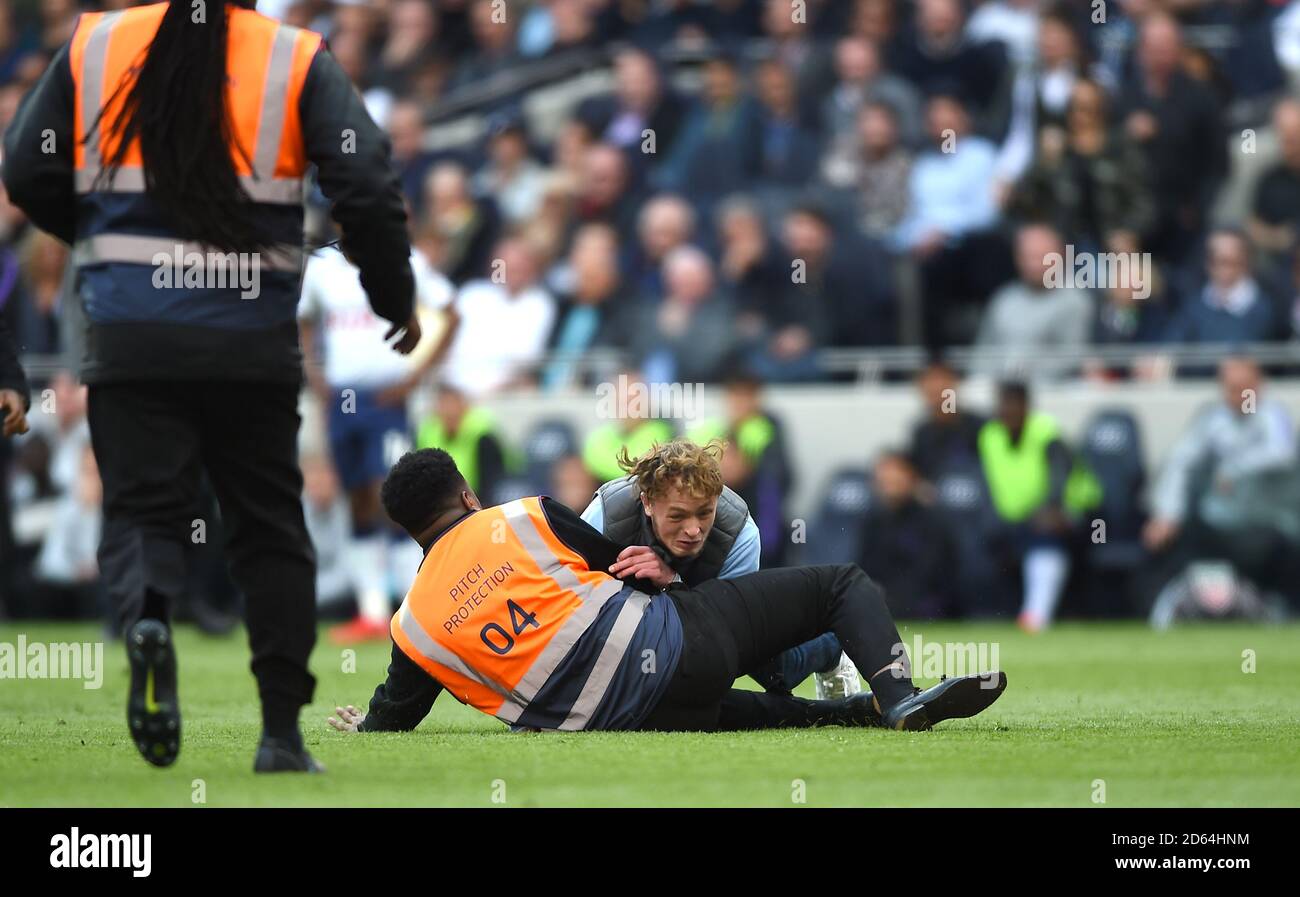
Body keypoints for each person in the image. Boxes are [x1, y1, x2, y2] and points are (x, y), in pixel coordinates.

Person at [2, 0, 419, 772]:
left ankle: (147, 618)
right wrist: (393, 294)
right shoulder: (292, 56)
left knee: (141, 513)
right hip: (250, 341)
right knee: (267, 528)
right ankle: (281, 735)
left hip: (130, 334)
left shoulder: (94, 44)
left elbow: (24, 166)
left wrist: (102, 240)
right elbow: (364, 178)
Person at [328, 447, 1007, 735]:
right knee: (842, 582)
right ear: (468, 494)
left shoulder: (410, 625)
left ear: (407, 531)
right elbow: (612, 566)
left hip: (620, 719)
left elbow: (395, 714)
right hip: (680, 644)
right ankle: (896, 699)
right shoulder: (520, 516)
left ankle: (858, 710)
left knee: (784, 715)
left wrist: (366, 726)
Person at [582, 438, 855, 699]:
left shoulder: (740, 532)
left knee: (778, 672)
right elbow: (570, 598)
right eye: (677, 515)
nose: (693, 530)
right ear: (648, 503)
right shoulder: (605, 514)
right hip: (621, 607)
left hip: (709, 611)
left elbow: (723, 634)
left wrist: (670, 580)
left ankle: (831, 646)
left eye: (704, 513)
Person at [297, 242, 456, 645]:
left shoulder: (405, 259)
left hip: (388, 400)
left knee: (395, 497)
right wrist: (313, 373)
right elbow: (302, 320)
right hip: (341, 401)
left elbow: (452, 314)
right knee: (356, 499)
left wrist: (413, 379)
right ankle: (371, 611)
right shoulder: (323, 266)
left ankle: (415, 605)